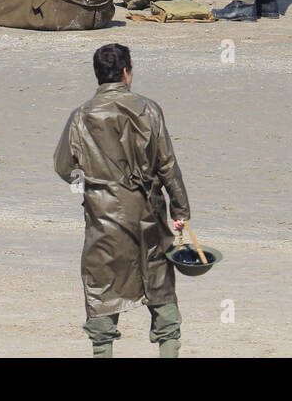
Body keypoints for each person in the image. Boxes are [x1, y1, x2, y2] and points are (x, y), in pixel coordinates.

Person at [54, 44, 191, 357]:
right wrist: (180, 210)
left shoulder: (81, 116)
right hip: (149, 213)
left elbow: (64, 167)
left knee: (102, 290)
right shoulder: (149, 109)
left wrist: (90, 186)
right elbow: (167, 165)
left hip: (103, 217)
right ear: (127, 71)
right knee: (160, 286)